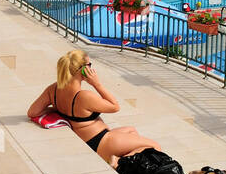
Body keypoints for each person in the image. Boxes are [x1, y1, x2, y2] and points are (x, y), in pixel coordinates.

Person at [27, 50, 163, 167]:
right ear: (83, 70)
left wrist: (57, 109)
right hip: (103, 141)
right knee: (154, 146)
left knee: (131, 130)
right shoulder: (84, 96)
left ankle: (132, 163)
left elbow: (33, 112)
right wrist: (97, 84)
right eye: (89, 65)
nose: (92, 69)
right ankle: (119, 162)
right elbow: (115, 107)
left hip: (92, 139)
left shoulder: (53, 89)